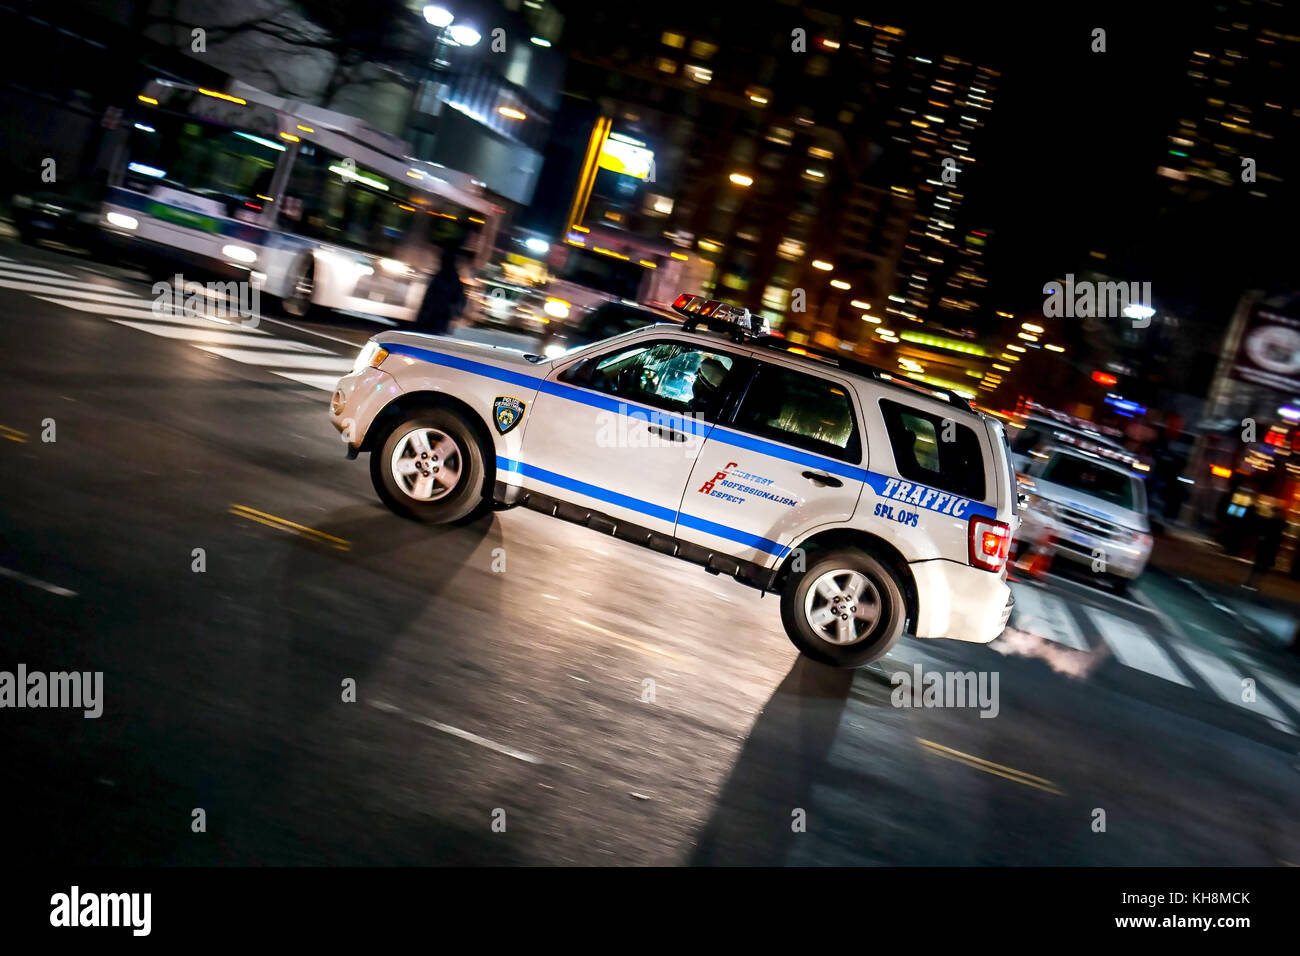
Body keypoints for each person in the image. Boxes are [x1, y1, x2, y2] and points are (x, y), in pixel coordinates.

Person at [412, 246, 466, 335]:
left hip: (432, 316)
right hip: (440, 318)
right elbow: (459, 300)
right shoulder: (455, 280)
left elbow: (428, 297)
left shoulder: (441, 276)